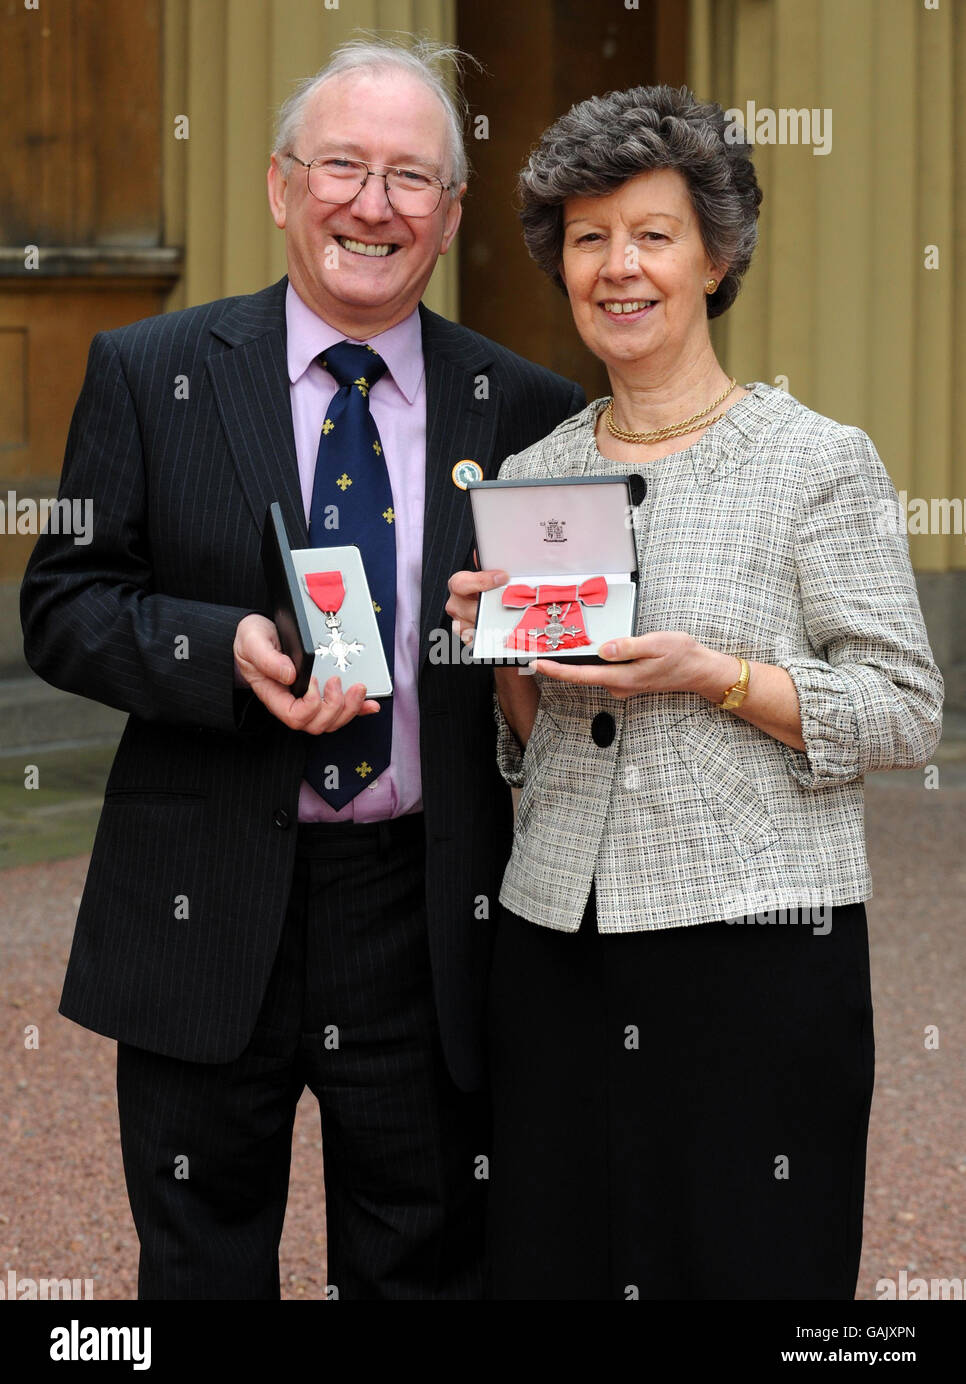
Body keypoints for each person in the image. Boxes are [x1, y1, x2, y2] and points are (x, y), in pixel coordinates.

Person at [19, 37, 584, 1300]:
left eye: (408, 179)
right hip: (203, 895)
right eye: (343, 166)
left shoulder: (529, 409)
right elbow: (63, 604)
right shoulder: (146, 373)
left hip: (430, 908)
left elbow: (560, 667)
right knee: (201, 1263)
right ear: (282, 186)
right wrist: (215, 647)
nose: (371, 205)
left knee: (425, 1259)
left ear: (447, 215)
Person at [447, 83, 943, 1300]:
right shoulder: (535, 469)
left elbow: (901, 706)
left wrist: (713, 674)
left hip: (754, 953)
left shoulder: (813, 460)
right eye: (588, 238)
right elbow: (534, 750)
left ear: (717, 256)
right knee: (558, 1262)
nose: (619, 268)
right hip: (557, 946)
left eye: (652, 235)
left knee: (746, 1268)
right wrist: (508, 660)